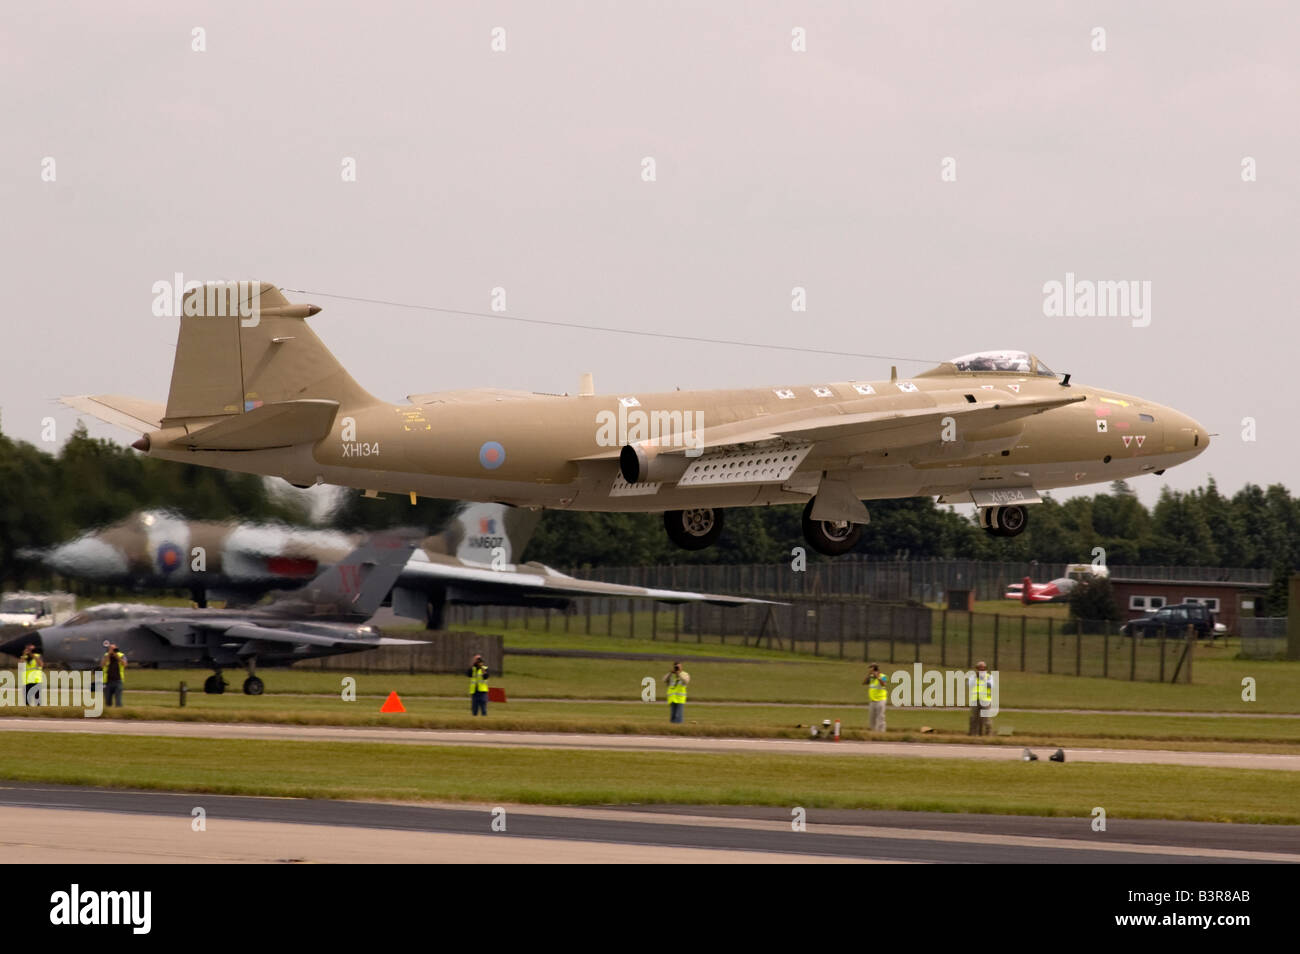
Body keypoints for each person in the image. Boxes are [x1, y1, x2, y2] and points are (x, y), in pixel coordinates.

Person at [968, 661, 993, 736]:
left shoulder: (989, 677)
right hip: (975, 700)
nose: (981, 670)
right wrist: (976, 678)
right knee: (974, 718)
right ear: (977, 669)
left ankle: (988, 734)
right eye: (980, 668)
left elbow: (991, 685)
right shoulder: (973, 677)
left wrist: (983, 679)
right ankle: (973, 733)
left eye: (983, 668)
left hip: (985, 700)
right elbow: (969, 684)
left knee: (986, 718)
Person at [862, 664, 888, 732]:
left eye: (872, 670)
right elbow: (864, 683)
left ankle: (881, 732)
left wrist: (877, 677)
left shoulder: (883, 676)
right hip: (872, 700)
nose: (871, 672)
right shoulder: (871, 677)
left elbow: (884, 684)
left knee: (880, 717)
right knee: (871, 718)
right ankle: (873, 732)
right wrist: (869, 675)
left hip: (881, 700)